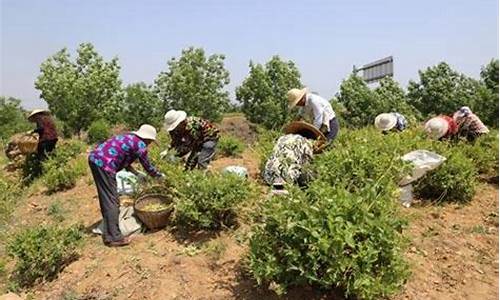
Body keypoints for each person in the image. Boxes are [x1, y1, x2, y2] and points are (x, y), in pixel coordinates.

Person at [88, 124, 165, 247]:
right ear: (147, 139)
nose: (149, 144)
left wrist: (136, 173)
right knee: (112, 200)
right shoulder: (140, 145)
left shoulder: (129, 139)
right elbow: (147, 166)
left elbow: (123, 160)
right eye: (150, 141)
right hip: (104, 165)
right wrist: (158, 176)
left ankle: (109, 234)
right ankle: (114, 237)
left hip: (95, 160)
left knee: (106, 198)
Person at [263, 122, 325, 193]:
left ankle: (278, 184)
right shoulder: (307, 143)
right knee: (311, 173)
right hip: (287, 177)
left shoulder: (282, 138)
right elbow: (307, 166)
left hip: (268, 175)